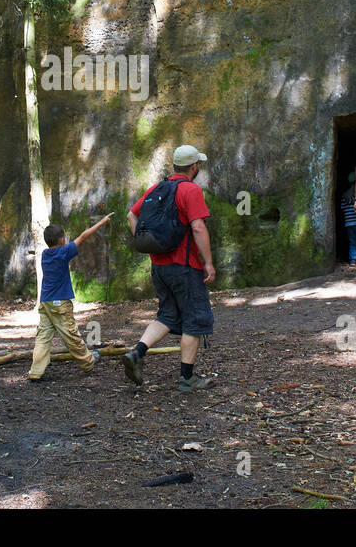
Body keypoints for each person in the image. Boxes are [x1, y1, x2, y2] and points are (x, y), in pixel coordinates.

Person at [123, 144, 216, 392]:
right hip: (185, 268)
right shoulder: (190, 190)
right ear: (194, 166)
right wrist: (208, 262)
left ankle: (137, 352)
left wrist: (148, 244)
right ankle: (188, 379)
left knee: (167, 316)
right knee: (194, 320)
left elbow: (132, 216)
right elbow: (198, 227)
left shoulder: (156, 189)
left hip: (159, 267)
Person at [28, 214, 112, 382]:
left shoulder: (45, 254)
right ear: (61, 240)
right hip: (60, 303)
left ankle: (36, 371)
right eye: (64, 237)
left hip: (45, 303)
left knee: (43, 336)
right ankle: (88, 361)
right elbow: (84, 236)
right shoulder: (63, 252)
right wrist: (102, 222)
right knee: (71, 334)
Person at [340, 173, 356, 268]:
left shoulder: (345, 195)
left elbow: (343, 208)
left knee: (352, 241)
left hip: (349, 223)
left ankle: (353, 260)